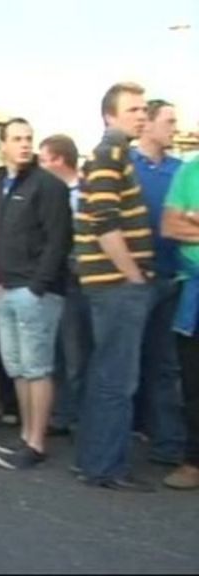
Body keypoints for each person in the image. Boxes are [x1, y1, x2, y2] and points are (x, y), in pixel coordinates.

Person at [74, 83, 158, 491]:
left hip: (109, 285)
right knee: (117, 380)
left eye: (144, 110)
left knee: (106, 374)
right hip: (116, 286)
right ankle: (106, 468)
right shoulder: (109, 155)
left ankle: (93, 461)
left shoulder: (112, 155)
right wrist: (134, 275)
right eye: (133, 110)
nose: (141, 116)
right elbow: (104, 223)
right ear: (110, 116)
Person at [0, 118, 72, 471]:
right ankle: (26, 435)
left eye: (29, 139)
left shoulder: (49, 185)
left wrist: (38, 286)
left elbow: (59, 239)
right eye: (17, 139)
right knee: (19, 368)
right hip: (6, 288)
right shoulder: (1, 185)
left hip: (36, 292)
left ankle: (37, 442)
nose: (25, 145)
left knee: (37, 369)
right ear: (2, 145)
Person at [128, 99, 187, 467]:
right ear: (147, 124)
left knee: (165, 366)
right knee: (123, 364)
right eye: (169, 121)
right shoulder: (126, 167)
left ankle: (168, 444)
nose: (175, 128)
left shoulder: (181, 170)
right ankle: (121, 438)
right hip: (133, 280)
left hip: (172, 278)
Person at [38, 134, 92, 437]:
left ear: (58, 160)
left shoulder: (81, 195)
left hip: (76, 279)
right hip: (55, 281)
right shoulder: (54, 193)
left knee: (76, 352)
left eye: (44, 159)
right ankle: (61, 412)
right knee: (57, 351)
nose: (41, 166)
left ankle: (78, 416)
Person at [160, 155, 199, 490]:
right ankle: (193, 462)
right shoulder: (190, 171)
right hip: (194, 295)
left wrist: (195, 222)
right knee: (193, 383)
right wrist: (185, 221)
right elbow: (170, 226)